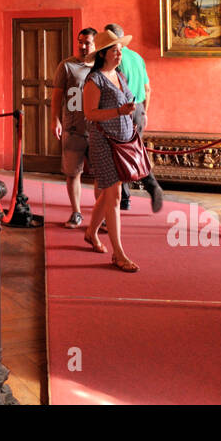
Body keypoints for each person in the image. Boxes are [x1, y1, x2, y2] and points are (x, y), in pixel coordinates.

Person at [80, 28, 142, 271]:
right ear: (104, 54)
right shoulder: (94, 80)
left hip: (123, 142)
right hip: (104, 143)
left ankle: (90, 232)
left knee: (107, 194)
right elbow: (90, 114)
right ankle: (118, 254)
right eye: (115, 51)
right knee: (114, 196)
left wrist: (130, 115)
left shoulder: (119, 75)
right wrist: (118, 112)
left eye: (120, 50)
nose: (120, 54)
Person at [103, 22, 160, 211]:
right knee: (136, 151)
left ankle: (125, 198)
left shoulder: (113, 58)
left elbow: (117, 90)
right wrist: (144, 112)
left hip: (123, 112)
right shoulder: (137, 57)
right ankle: (151, 186)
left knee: (120, 155)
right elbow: (147, 88)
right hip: (140, 110)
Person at [50, 26, 96, 228]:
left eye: (87, 42)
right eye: (80, 42)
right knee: (72, 172)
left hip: (97, 130)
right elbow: (57, 96)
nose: (83, 46)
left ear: (95, 44)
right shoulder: (67, 66)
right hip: (73, 128)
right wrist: (55, 119)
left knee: (101, 175)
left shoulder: (102, 67)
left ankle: (100, 214)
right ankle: (76, 212)